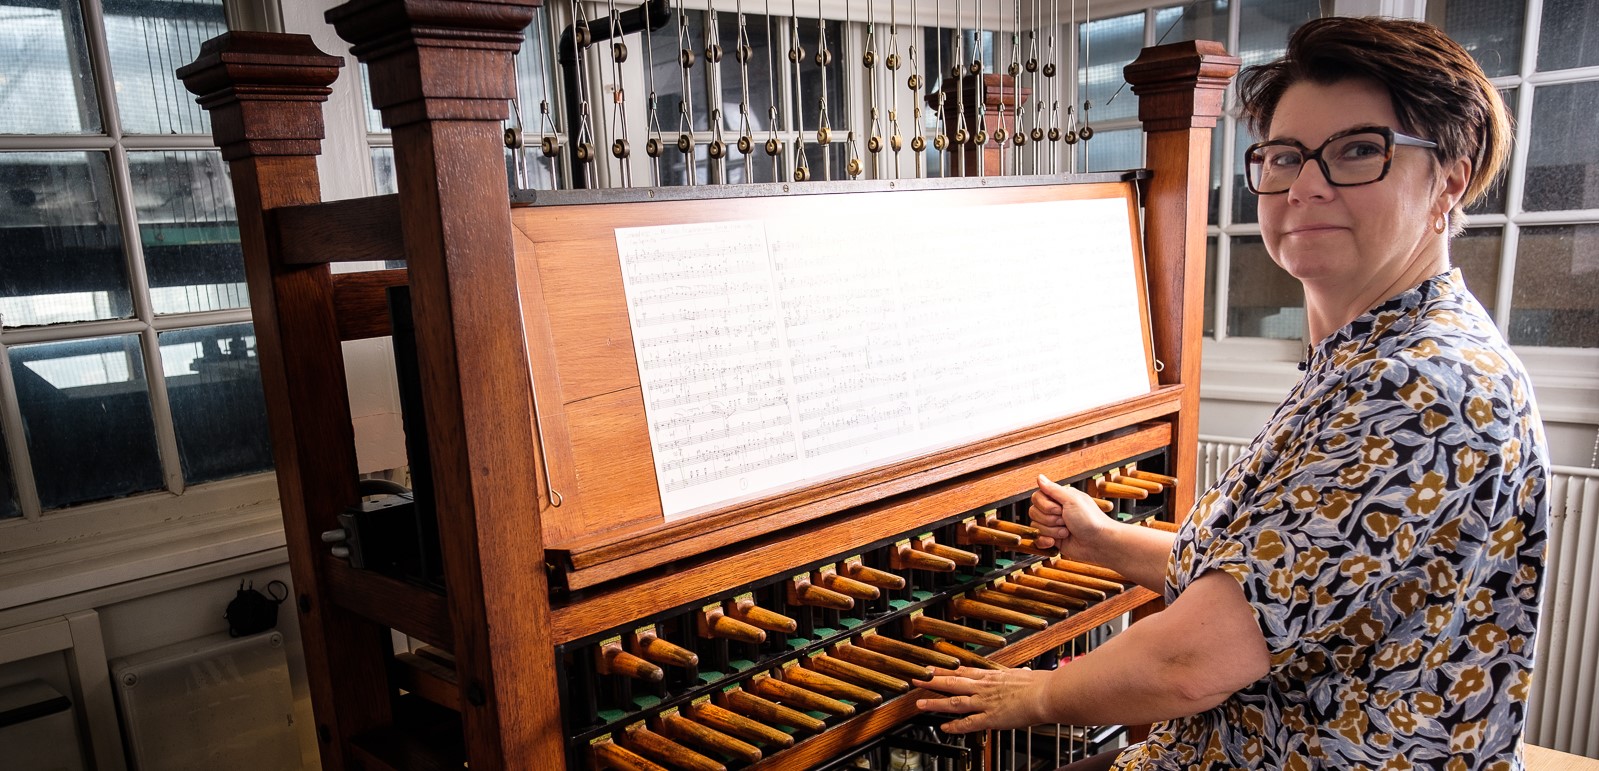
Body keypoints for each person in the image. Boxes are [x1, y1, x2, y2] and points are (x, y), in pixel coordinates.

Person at [915, 15, 1550, 769]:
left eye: (1356, 151)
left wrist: (1034, 696)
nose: (1306, 185)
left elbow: (1187, 663)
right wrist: (1102, 540)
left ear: (1449, 175)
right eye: (1285, 156)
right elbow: (1273, 579)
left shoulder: (1419, 382)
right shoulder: (1372, 350)